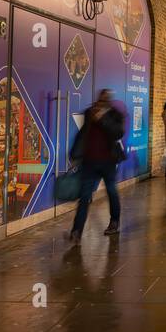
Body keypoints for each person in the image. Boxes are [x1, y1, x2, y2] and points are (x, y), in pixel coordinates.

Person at [67, 88, 126, 243]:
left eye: (104, 100)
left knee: (112, 191)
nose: (100, 103)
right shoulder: (89, 113)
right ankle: (76, 231)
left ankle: (114, 222)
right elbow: (82, 134)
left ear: (109, 102)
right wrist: (74, 154)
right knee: (85, 196)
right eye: (100, 100)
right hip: (89, 163)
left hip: (108, 162)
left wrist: (102, 119)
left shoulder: (115, 115)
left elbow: (118, 133)